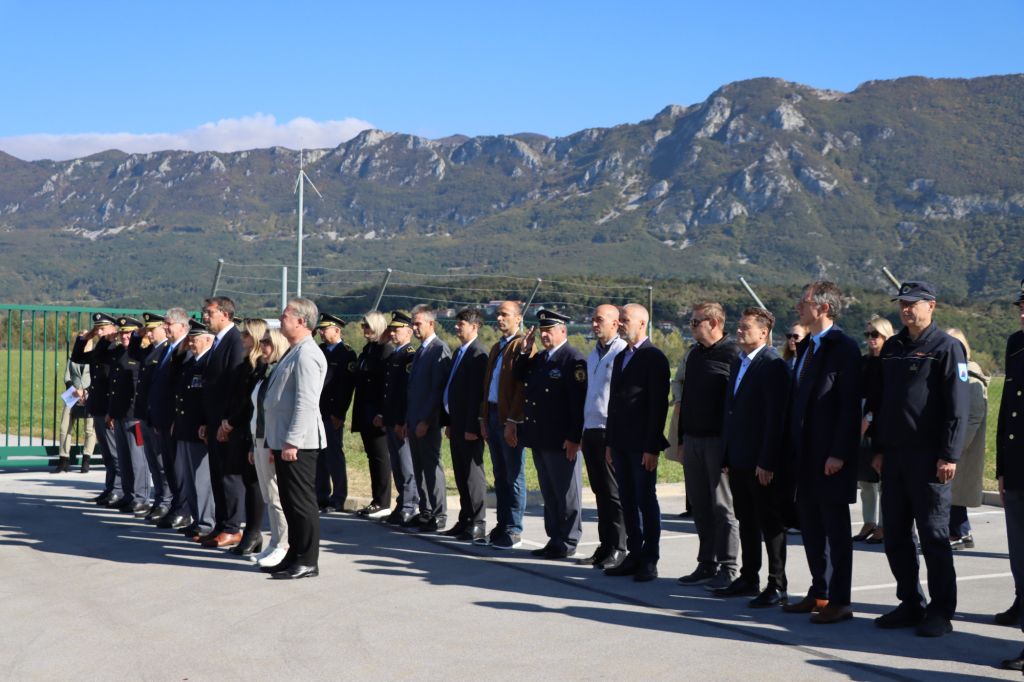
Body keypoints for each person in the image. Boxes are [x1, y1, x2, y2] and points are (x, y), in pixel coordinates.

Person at [870, 281, 969, 638]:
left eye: (913, 303)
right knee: (895, 536)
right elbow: (881, 403)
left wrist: (948, 454)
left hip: (930, 459)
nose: (906, 309)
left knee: (934, 536)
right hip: (894, 457)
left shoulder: (947, 348)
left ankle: (941, 610)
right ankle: (910, 602)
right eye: (902, 304)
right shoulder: (894, 347)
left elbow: (958, 406)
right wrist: (877, 449)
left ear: (931, 306)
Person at [782, 282, 861, 624]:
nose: (799, 305)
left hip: (830, 456)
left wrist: (839, 453)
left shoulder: (843, 347)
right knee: (812, 528)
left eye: (806, 301)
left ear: (825, 308)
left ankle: (840, 600)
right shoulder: (808, 346)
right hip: (805, 456)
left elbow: (848, 407)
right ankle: (820, 592)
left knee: (835, 530)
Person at [715, 307, 792, 607]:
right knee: (746, 519)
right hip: (738, 457)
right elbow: (731, 412)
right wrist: (726, 453)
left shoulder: (773, 365)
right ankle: (749, 576)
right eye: (739, 326)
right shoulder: (739, 362)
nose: (739, 330)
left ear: (764, 332)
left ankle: (777, 583)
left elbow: (776, 418)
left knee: (769, 522)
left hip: (760, 461)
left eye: (746, 327)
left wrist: (767, 461)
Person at [675, 301, 740, 591]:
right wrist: (681, 440)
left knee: (723, 508)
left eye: (695, 322)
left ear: (713, 323)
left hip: (717, 441)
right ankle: (706, 562)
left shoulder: (733, 354)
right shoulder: (695, 355)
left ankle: (729, 567)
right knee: (700, 505)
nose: (691, 327)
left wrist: (730, 447)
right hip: (693, 440)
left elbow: (736, 406)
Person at [261, 298, 328, 580]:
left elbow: (306, 403)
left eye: (286, 315)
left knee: (301, 502)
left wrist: (292, 441)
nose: (281, 318)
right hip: (284, 440)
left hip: (299, 443)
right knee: (290, 502)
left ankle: (308, 560)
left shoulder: (307, 354)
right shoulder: (294, 351)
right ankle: (294, 555)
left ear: (302, 321)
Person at [604, 304, 670, 582]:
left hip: (641, 445)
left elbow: (658, 407)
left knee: (645, 500)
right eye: (619, 320)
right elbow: (615, 401)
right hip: (619, 442)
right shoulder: (622, 357)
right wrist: (609, 441)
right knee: (627, 500)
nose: (620, 324)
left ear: (642, 323)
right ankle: (634, 553)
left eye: (625, 320)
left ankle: (650, 558)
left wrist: (651, 447)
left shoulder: (653, 357)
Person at [515, 309, 587, 559]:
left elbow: (578, 405)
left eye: (549, 330)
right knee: (550, 493)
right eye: (542, 331)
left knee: (567, 494)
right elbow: (519, 376)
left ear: (563, 331)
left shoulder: (573, 360)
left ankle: (568, 540)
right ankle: (554, 538)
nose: (545, 335)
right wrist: (525, 351)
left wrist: (574, 438)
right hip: (540, 437)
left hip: (561, 440)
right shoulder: (541, 359)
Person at [480, 301, 534, 550]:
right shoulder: (497, 347)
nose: (499, 318)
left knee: (513, 475)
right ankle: (502, 524)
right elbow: (488, 386)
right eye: (498, 314)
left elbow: (523, 389)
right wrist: (483, 418)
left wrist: (513, 421)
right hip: (491, 415)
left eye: (505, 315)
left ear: (518, 318)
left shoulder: (522, 347)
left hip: (508, 418)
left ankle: (513, 528)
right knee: (500, 474)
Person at [578, 304, 627, 569]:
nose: (594, 324)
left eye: (599, 320)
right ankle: (605, 545)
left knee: (612, 493)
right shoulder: (593, 354)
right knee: (599, 492)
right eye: (593, 320)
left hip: (609, 430)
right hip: (591, 429)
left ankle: (619, 547)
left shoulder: (620, 353)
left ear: (615, 323)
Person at [220, 318, 270, 556]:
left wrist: (231, 422)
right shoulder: (245, 364)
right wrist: (226, 420)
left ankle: (253, 532)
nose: (242, 340)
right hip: (237, 428)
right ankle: (247, 531)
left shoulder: (260, 366)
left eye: (246, 336)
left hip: (247, 429)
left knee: (253, 484)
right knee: (242, 480)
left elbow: (251, 404)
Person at [199, 297, 247, 548]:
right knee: (217, 475)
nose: (205, 317)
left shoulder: (235, 342)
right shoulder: (218, 343)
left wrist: (227, 422)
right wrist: (208, 421)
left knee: (229, 476)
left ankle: (232, 528)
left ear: (225, 315)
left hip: (228, 424)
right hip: (214, 420)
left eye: (209, 313)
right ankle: (220, 524)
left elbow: (236, 388)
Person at [441, 307, 489, 542]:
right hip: (457, 422)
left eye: (462, 323)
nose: (457, 326)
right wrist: (449, 421)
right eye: (458, 322)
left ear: (475, 326)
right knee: (461, 473)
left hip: (469, 425)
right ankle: (465, 519)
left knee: (472, 474)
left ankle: (478, 522)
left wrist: (472, 426)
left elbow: (477, 394)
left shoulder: (478, 354)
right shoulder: (460, 352)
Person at [404, 304, 452, 533]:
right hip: (414, 419)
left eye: (418, 323)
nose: (414, 327)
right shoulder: (422, 350)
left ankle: (439, 513)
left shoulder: (438, 349)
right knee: (419, 467)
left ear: (431, 323)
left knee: (432, 467)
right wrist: (409, 420)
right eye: (413, 323)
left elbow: (437, 390)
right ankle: (425, 510)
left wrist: (426, 420)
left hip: (427, 422)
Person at [997, 280, 1024, 669]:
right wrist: (1002, 468)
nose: (1021, 311)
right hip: (1017, 468)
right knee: (1020, 558)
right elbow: (1008, 412)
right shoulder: (1016, 344)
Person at [249, 328, 291, 568]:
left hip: (271, 440)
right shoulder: (265, 372)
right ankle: (275, 542)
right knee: (268, 495)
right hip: (258, 438)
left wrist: (274, 445)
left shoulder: (279, 371)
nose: (262, 346)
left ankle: (284, 544)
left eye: (266, 342)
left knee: (276, 496)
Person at [71, 313, 121, 506]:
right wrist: (89, 335)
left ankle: (118, 489)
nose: (99, 332)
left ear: (113, 329)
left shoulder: (116, 349)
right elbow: (77, 357)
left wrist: (108, 338)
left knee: (115, 453)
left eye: (103, 328)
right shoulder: (100, 348)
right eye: (97, 328)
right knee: (107, 453)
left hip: (109, 407)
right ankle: (110, 489)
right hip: (98, 406)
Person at [945, 328, 988, 551]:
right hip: (955, 443)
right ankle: (960, 531)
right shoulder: (954, 371)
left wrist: (958, 446)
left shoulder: (971, 375)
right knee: (954, 493)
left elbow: (973, 416)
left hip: (963, 447)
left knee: (956, 493)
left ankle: (959, 533)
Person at [175, 319, 218, 541]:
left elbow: (207, 401)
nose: (191, 343)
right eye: (190, 339)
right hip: (186, 428)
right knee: (191, 480)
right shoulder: (191, 363)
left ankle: (206, 522)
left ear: (209, 340)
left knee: (202, 481)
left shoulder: (208, 363)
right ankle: (196, 519)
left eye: (195, 339)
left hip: (199, 431)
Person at [151, 308, 193, 530]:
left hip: (174, 420)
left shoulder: (186, 351)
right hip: (162, 420)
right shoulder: (169, 349)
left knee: (178, 469)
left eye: (169, 324)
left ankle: (183, 511)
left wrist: (175, 418)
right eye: (165, 324)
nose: (165, 327)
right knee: (169, 467)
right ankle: (176, 507)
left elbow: (181, 391)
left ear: (183, 327)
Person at [854, 315, 894, 545]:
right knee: (865, 480)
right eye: (868, 334)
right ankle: (868, 521)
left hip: (880, 423)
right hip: (862, 420)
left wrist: (870, 417)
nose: (870, 339)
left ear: (886, 336)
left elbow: (886, 397)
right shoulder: (864, 362)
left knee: (881, 479)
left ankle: (883, 524)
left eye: (875, 335)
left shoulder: (890, 362)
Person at [106, 316, 152, 515]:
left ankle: (141, 497)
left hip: (135, 416)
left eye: (128, 332)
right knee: (124, 458)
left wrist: (138, 335)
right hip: (120, 414)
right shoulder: (118, 353)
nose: (125, 336)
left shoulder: (142, 353)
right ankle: (129, 494)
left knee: (137, 459)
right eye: (122, 332)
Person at [351, 311, 394, 520]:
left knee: (380, 457)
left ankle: (383, 501)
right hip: (365, 411)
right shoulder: (369, 350)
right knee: (372, 457)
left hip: (377, 412)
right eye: (363, 326)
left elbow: (386, 386)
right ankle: (376, 500)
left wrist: (383, 412)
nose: (364, 330)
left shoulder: (386, 350)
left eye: (367, 326)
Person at [315, 312, 357, 514]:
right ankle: (321, 495)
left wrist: (339, 413)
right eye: (320, 329)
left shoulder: (347, 354)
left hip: (333, 413)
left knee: (334, 455)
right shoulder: (319, 350)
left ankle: (338, 497)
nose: (321, 333)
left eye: (324, 329)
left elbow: (346, 388)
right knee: (319, 456)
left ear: (337, 330)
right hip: (317, 410)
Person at [381, 311, 420, 526]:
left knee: (406, 466)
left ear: (409, 331)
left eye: (397, 329)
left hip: (400, 421)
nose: (393, 333)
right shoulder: (395, 354)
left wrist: (403, 420)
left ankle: (409, 506)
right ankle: (402, 503)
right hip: (391, 418)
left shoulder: (409, 354)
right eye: (391, 329)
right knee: (396, 465)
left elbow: (407, 392)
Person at [134, 312, 172, 521]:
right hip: (146, 414)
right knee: (153, 461)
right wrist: (139, 334)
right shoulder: (151, 350)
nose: (149, 332)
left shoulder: (167, 350)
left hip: (155, 415)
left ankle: (166, 501)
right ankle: (159, 498)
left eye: (151, 329)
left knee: (161, 462)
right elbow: (133, 351)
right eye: (146, 329)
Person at [54, 356, 96, 474]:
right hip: (72, 394)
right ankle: (63, 459)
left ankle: (86, 460)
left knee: (89, 430)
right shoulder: (72, 359)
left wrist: (85, 391)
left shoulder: (94, 358)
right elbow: (67, 377)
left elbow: (96, 377)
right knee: (64, 427)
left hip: (89, 395)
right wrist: (74, 390)